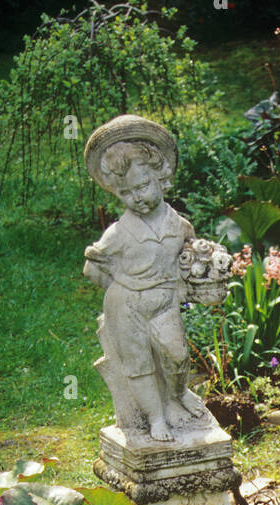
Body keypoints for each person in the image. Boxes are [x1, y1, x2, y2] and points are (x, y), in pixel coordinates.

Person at [83, 116, 206, 442]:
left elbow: (189, 254)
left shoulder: (178, 225)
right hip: (127, 305)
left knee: (176, 354)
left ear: (162, 179)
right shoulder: (118, 233)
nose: (135, 197)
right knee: (138, 364)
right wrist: (121, 283)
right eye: (125, 192)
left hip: (164, 302)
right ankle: (155, 419)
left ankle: (178, 395)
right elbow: (92, 269)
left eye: (141, 187)